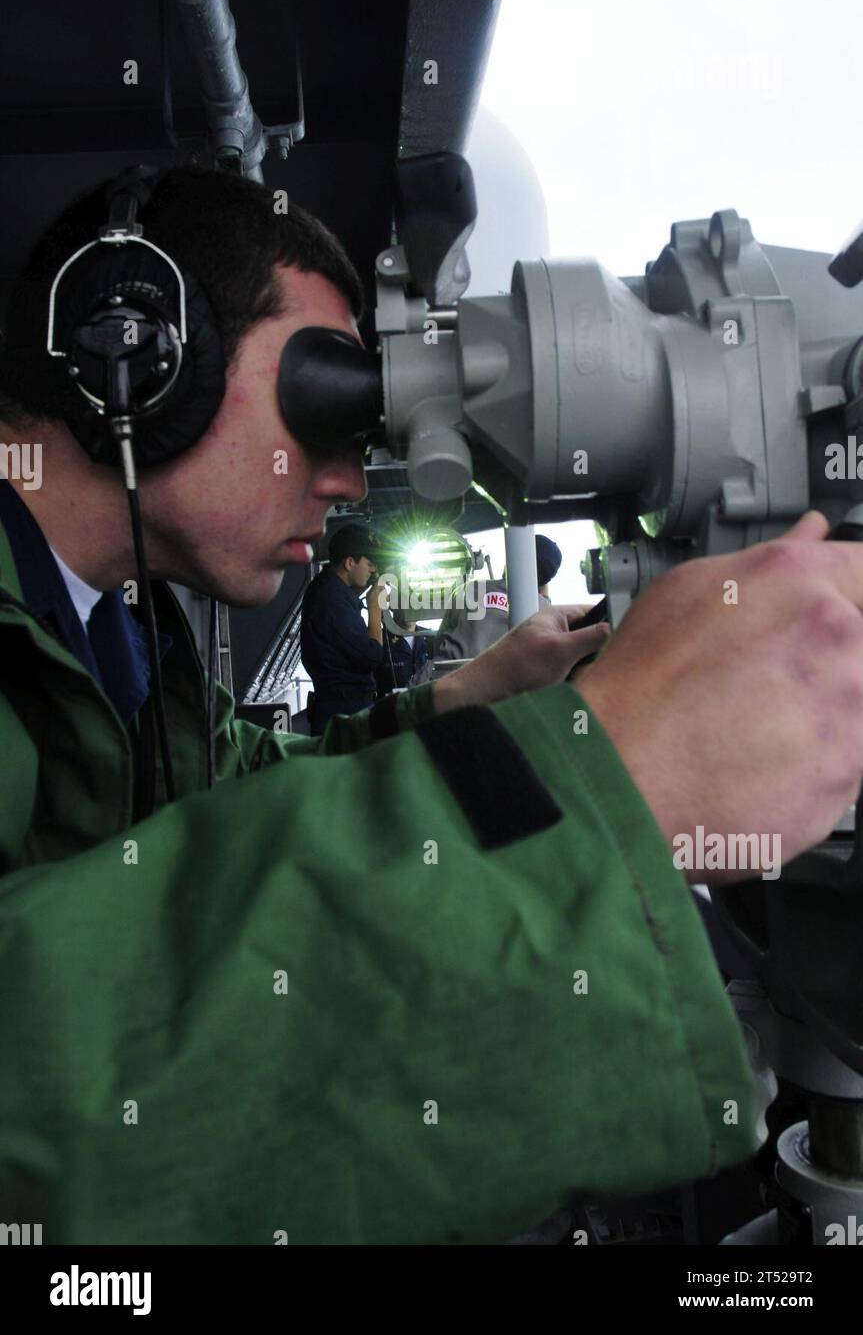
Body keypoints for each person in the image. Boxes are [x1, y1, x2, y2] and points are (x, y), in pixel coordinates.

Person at [1, 166, 862, 1247]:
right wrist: (605, 789)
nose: (347, 479)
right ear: (133, 358)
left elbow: (227, 814)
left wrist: (466, 702)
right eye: (323, 396)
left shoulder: (129, 634)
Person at [300, 523, 385, 733]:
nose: (373, 570)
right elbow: (372, 656)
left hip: (343, 708)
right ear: (349, 563)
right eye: (369, 563)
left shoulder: (329, 591)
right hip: (344, 713)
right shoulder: (331, 599)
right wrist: (375, 609)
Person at [435, 532, 563, 661]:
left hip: (446, 676)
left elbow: (437, 643)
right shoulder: (545, 612)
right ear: (545, 581)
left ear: (511, 558)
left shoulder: (469, 589)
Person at [376, 610, 432, 695]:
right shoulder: (380, 639)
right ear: (392, 607)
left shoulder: (431, 637)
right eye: (403, 603)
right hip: (391, 706)